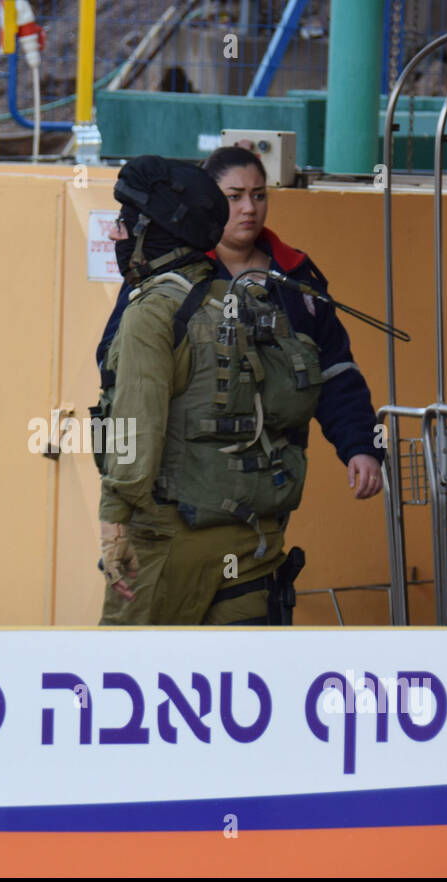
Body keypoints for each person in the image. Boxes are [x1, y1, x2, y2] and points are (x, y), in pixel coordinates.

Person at [95, 155, 322, 625]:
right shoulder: (247, 300)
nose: (115, 234)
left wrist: (114, 524)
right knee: (238, 690)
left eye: (125, 223)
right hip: (254, 544)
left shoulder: (152, 313)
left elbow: (135, 429)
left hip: (171, 544)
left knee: (129, 681)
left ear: (149, 234)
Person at [98, 145, 383, 504]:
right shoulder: (166, 277)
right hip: (180, 491)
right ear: (209, 203)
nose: (249, 208)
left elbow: (335, 371)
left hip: (266, 489)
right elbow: (116, 367)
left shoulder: (296, 277)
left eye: (259, 195)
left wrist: (361, 446)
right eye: (234, 197)